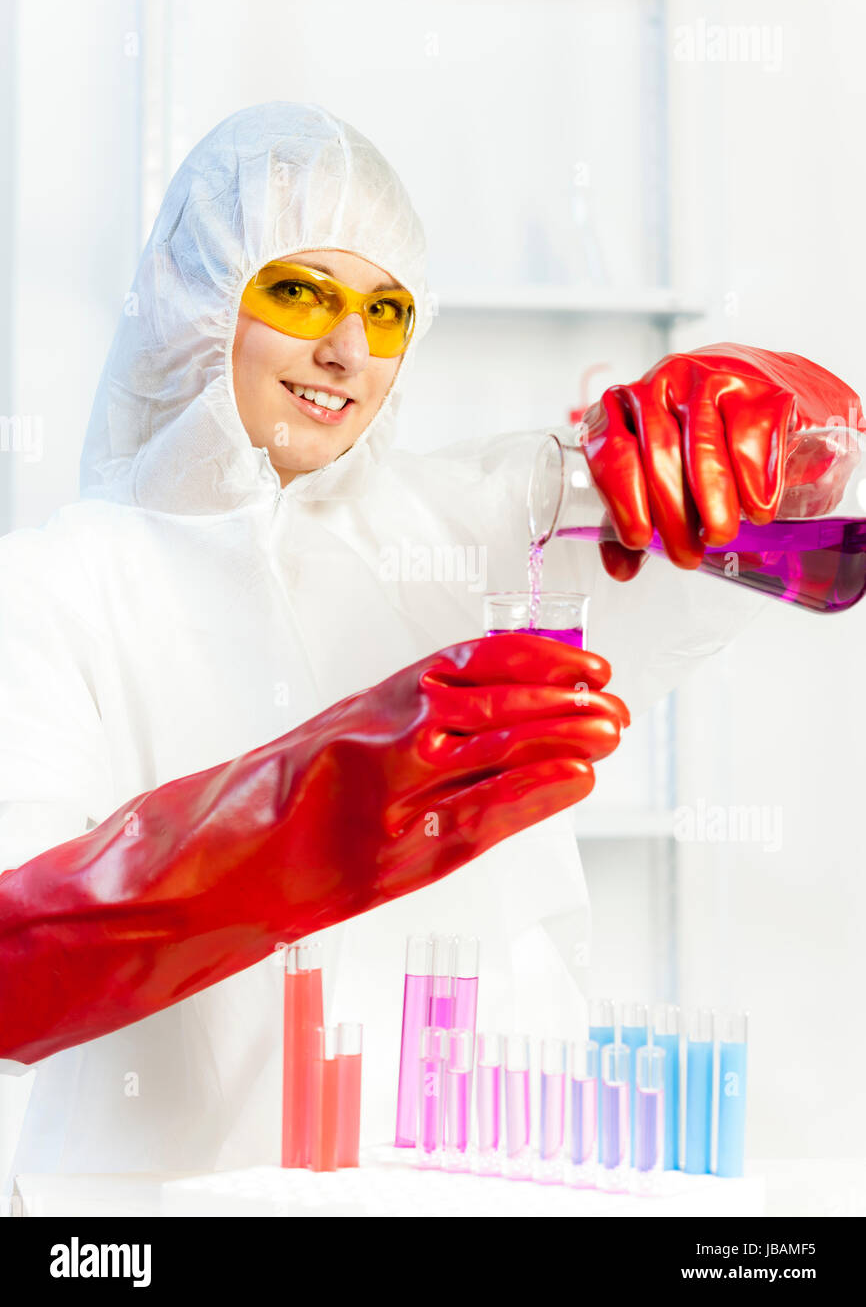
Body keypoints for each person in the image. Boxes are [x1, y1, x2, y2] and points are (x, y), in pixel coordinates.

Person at [0, 103, 859, 1182]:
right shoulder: (53, 590)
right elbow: (11, 961)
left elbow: (785, 508)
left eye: (386, 310)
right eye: (299, 292)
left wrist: (778, 407)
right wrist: (305, 818)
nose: (345, 350)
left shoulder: (481, 526)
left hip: (492, 1198)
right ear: (198, 298)